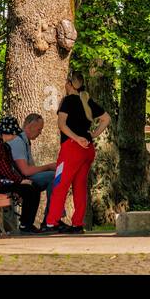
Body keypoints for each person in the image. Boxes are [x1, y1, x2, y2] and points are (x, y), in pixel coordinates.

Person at [42, 72, 110, 233]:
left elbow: (62, 125)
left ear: (69, 84)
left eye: (66, 83)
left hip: (71, 147)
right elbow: (106, 118)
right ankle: (77, 223)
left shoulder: (68, 101)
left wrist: (77, 138)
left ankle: (52, 222)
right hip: (87, 149)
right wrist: (92, 135)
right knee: (79, 186)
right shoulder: (87, 101)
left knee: (60, 184)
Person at [0, 117, 42, 233]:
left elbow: (8, 169)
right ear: (11, 133)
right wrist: (20, 181)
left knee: (33, 188)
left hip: (0, 182)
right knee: (30, 190)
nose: (17, 136)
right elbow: (4, 169)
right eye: (15, 133)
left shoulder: (3, 145)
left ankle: (26, 224)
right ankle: (25, 225)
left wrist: (21, 180)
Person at [8, 113, 57, 219]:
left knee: (54, 177)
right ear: (30, 126)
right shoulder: (18, 142)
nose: (40, 133)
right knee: (53, 176)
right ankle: (52, 218)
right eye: (39, 129)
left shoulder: (25, 141)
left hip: (23, 178)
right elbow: (26, 171)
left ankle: (52, 217)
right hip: (19, 180)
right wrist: (48, 166)